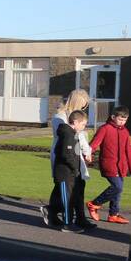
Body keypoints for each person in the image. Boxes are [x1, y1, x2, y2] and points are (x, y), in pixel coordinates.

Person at [42, 89, 90, 227]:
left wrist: (86, 150)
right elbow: (67, 136)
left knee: (79, 185)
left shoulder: (77, 116)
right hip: (64, 153)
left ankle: (79, 217)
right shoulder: (61, 117)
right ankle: (54, 211)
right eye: (82, 104)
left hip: (76, 152)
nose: (83, 108)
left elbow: (80, 135)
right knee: (64, 185)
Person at [88, 106, 131, 224]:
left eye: (125, 120)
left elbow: (129, 152)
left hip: (122, 166)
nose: (122, 122)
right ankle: (94, 204)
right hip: (109, 165)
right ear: (113, 117)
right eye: (120, 119)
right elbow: (94, 144)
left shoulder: (126, 132)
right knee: (117, 187)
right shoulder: (105, 129)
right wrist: (87, 154)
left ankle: (113, 215)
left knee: (118, 190)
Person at [52, 110, 88, 233]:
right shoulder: (67, 134)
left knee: (71, 199)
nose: (84, 127)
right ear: (76, 122)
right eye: (83, 124)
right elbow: (66, 154)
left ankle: (58, 217)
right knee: (66, 200)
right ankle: (67, 224)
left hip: (71, 173)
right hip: (64, 174)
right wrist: (75, 167)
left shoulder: (73, 134)